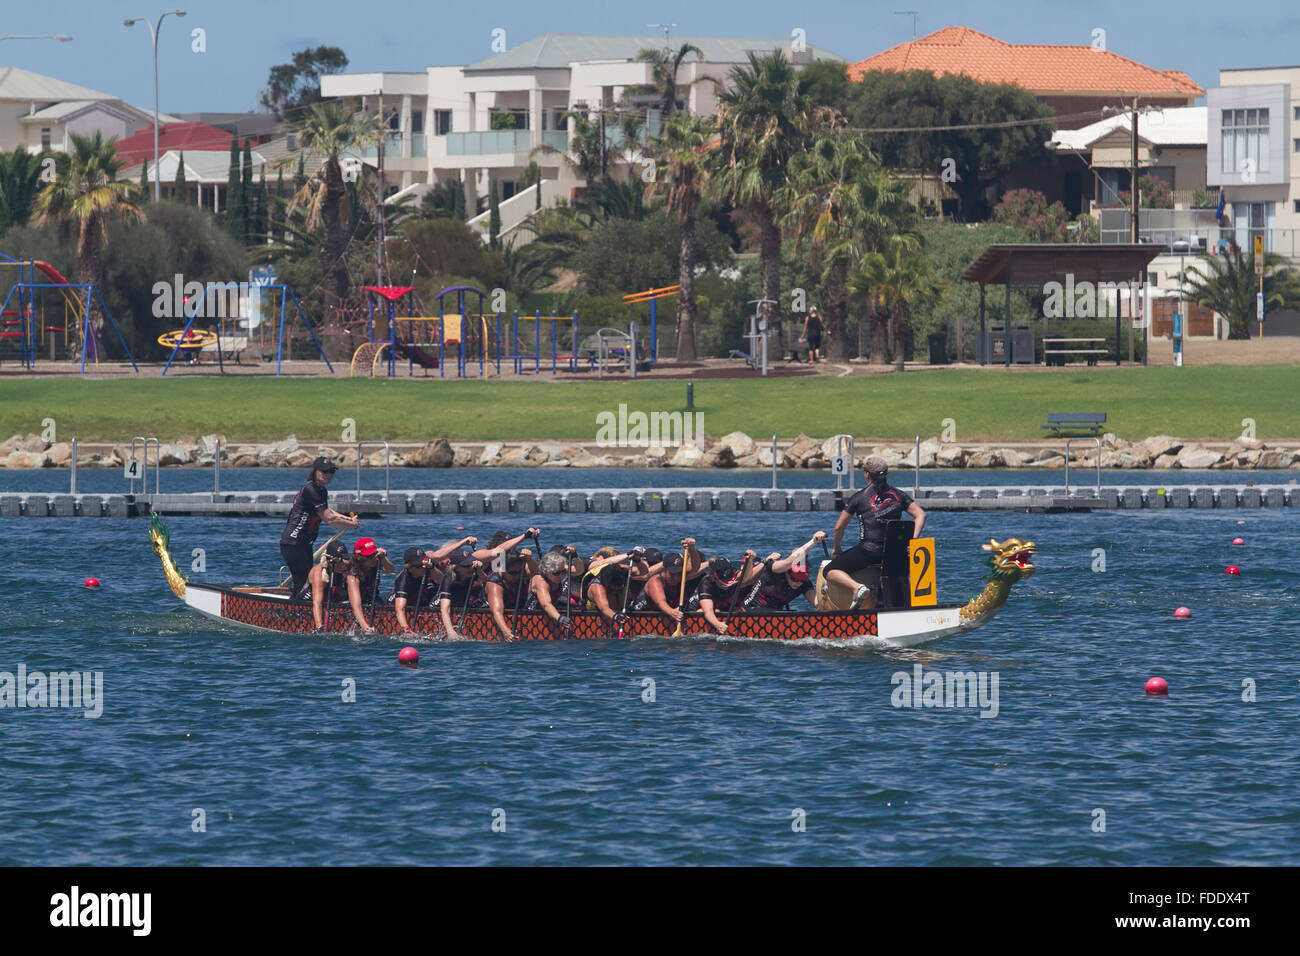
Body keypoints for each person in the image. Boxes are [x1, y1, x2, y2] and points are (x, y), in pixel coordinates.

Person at [827, 456, 926, 609]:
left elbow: (838, 528)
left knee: (829, 570)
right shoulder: (899, 495)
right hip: (896, 552)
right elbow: (920, 515)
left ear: (867, 474)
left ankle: (857, 588)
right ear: (886, 474)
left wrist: (837, 548)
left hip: (869, 551)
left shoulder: (858, 498)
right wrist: (913, 541)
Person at [279, 456, 359, 599]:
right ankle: (297, 612)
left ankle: (297, 608)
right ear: (315, 471)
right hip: (293, 543)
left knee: (303, 583)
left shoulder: (321, 490)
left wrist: (346, 518)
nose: (328, 475)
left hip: (304, 544)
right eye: (324, 472)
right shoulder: (311, 490)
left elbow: (329, 511)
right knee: (305, 584)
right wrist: (351, 524)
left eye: (331, 472)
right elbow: (329, 518)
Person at [743, 532, 826, 612]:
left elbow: (817, 604)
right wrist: (814, 541)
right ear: (786, 572)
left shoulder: (804, 584)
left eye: (802, 580)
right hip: (751, 609)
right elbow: (788, 562)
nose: (798, 583)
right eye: (794, 578)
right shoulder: (775, 569)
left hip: (776, 614)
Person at [482, 531, 540, 641]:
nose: (517, 576)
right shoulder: (494, 581)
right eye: (513, 573)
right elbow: (497, 611)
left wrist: (529, 559)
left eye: (519, 572)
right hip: (490, 612)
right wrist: (505, 631)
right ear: (503, 571)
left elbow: (537, 571)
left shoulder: (518, 567)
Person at [686, 550, 761, 634]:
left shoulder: (733, 572)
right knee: (705, 611)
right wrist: (717, 624)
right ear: (713, 577)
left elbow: (746, 577)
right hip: (697, 609)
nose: (726, 586)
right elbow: (708, 612)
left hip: (720, 604)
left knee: (737, 609)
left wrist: (750, 560)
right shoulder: (706, 583)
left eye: (728, 581)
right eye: (722, 583)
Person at [345, 537, 394, 634]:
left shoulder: (375, 562)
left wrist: (383, 557)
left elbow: (390, 570)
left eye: (374, 555)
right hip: (351, 604)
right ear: (359, 557)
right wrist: (364, 626)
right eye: (369, 556)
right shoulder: (352, 575)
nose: (374, 559)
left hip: (373, 600)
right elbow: (356, 605)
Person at [582, 547, 644, 623]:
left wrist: (638, 560)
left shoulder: (621, 570)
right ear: (607, 584)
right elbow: (604, 608)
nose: (615, 592)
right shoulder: (597, 587)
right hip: (595, 619)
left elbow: (643, 571)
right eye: (613, 590)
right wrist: (615, 616)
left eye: (619, 589)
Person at [436, 545, 485, 640]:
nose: (470, 568)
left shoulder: (474, 573)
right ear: (456, 568)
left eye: (471, 564)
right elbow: (444, 609)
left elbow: (488, 584)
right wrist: (450, 632)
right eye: (466, 566)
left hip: (463, 603)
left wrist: (479, 570)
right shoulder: (449, 578)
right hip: (440, 606)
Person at [391, 546, 440, 636]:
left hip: (419, 599)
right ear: (409, 567)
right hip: (396, 604)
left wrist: (432, 568)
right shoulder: (403, 580)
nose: (423, 567)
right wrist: (406, 629)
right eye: (419, 566)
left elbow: (441, 580)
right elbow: (400, 609)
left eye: (424, 564)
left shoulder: (427, 568)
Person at [309, 540, 351, 632]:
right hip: (310, 600)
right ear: (331, 560)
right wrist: (320, 627)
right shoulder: (319, 573)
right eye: (341, 561)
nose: (344, 564)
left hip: (334, 597)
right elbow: (317, 603)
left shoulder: (343, 566)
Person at [527, 549, 575, 629]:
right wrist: (559, 618)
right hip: (533, 617)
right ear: (546, 572)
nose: (561, 575)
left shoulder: (557, 572)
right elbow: (546, 604)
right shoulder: (541, 581)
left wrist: (575, 556)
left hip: (552, 612)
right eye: (556, 573)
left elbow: (579, 570)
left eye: (563, 572)